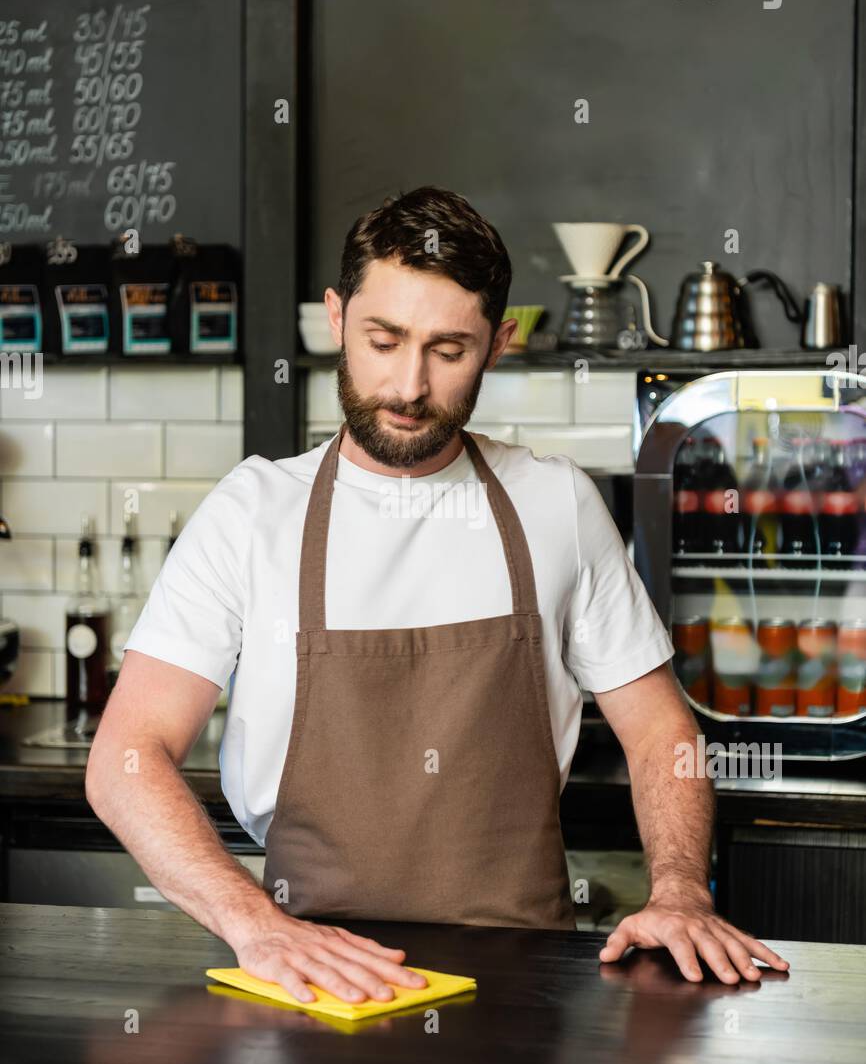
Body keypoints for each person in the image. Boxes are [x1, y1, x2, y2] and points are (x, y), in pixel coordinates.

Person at [86, 185, 788, 1004]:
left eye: (449, 350)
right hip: (306, 973)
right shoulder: (253, 513)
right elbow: (125, 759)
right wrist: (256, 924)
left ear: (501, 344)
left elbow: (661, 730)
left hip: (526, 985)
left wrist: (679, 892)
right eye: (384, 340)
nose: (409, 386)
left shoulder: (553, 502)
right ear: (337, 317)